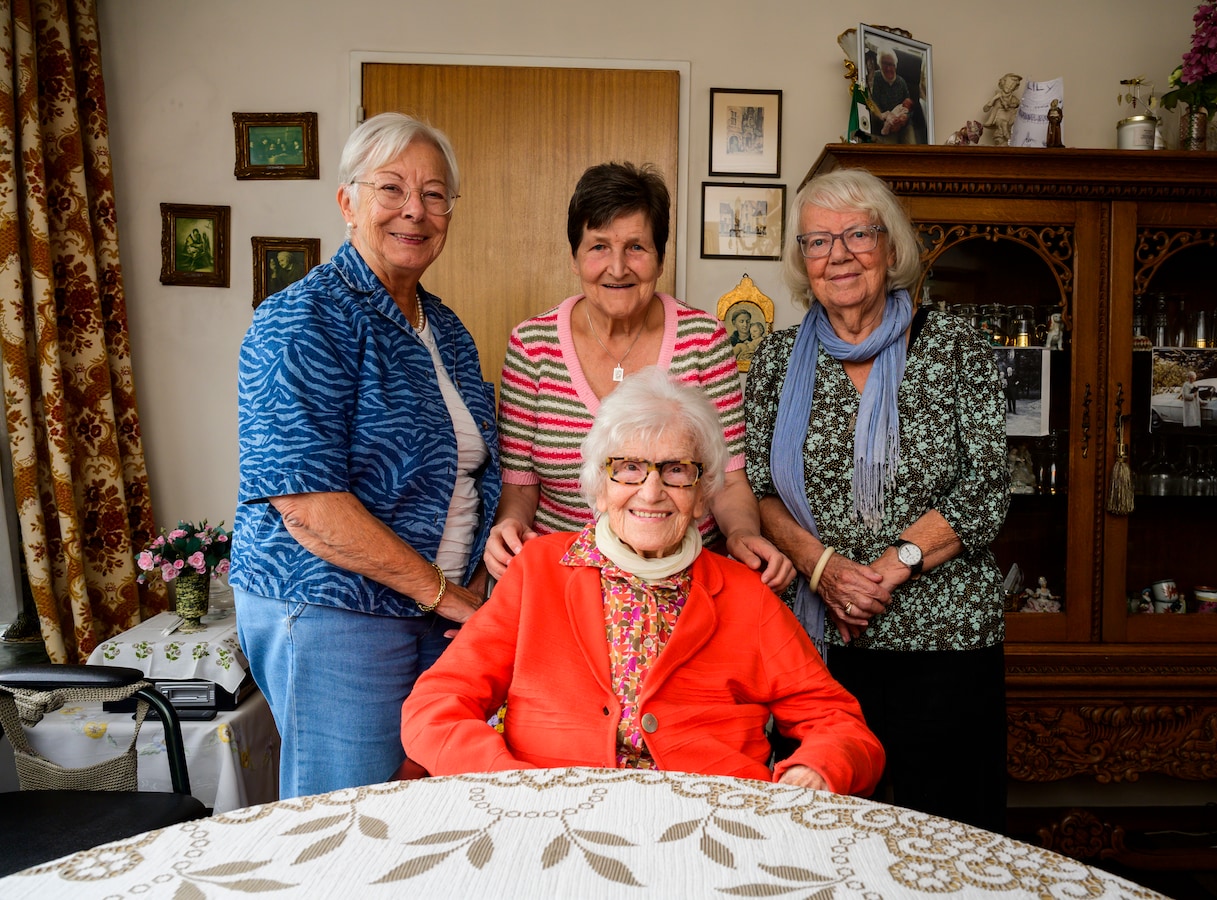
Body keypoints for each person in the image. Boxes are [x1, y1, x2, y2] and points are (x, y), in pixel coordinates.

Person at [403, 369, 885, 795]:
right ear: (599, 484)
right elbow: (436, 705)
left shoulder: (746, 595)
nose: (651, 492)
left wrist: (815, 770)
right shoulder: (539, 571)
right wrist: (507, 780)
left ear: (702, 496)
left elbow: (840, 726)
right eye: (629, 468)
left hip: (709, 825)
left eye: (677, 470)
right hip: (554, 816)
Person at [233, 112, 501, 799]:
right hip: (337, 613)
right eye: (391, 188)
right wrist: (442, 594)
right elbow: (309, 506)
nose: (415, 210)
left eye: (435, 194)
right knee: (344, 818)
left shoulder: (443, 326)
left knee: (417, 812)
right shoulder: (302, 318)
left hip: (431, 613)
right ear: (347, 202)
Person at [743, 169, 1010, 831]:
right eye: (817, 241)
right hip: (815, 641)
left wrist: (883, 572)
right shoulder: (776, 360)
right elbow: (758, 488)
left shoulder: (956, 349)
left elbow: (984, 488)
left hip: (943, 645)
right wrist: (824, 570)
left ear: (889, 248)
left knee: (946, 834)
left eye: (857, 234)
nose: (838, 254)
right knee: (823, 831)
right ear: (801, 261)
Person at [487, 162, 791, 592]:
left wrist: (743, 533)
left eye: (636, 247)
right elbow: (519, 487)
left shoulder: (703, 340)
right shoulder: (532, 346)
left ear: (661, 258)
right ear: (575, 257)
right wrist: (508, 529)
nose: (617, 268)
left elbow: (728, 480)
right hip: (562, 581)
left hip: (679, 580)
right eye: (598, 247)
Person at [867, 49, 923, 144]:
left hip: (904, 124)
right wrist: (888, 121)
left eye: (891, 64)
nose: (889, 68)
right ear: (880, 65)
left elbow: (909, 106)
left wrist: (905, 118)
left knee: (913, 149)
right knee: (891, 152)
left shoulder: (901, 82)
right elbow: (874, 108)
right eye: (885, 63)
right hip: (886, 124)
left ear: (895, 66)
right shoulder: (875, 79)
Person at [983, 73, 1023, 146]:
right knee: (1003, 123)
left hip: (1010, 120)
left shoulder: (1014, 99)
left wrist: (1011, 105)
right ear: (1003, 84)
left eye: (1012, 87)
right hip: (999, 120)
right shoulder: (997, 96)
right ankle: (1005, 133)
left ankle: (1008, 135)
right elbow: (985, 109)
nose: (1009, 87)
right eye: (1008, 85)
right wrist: (994, 99)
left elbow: (1018, 105)